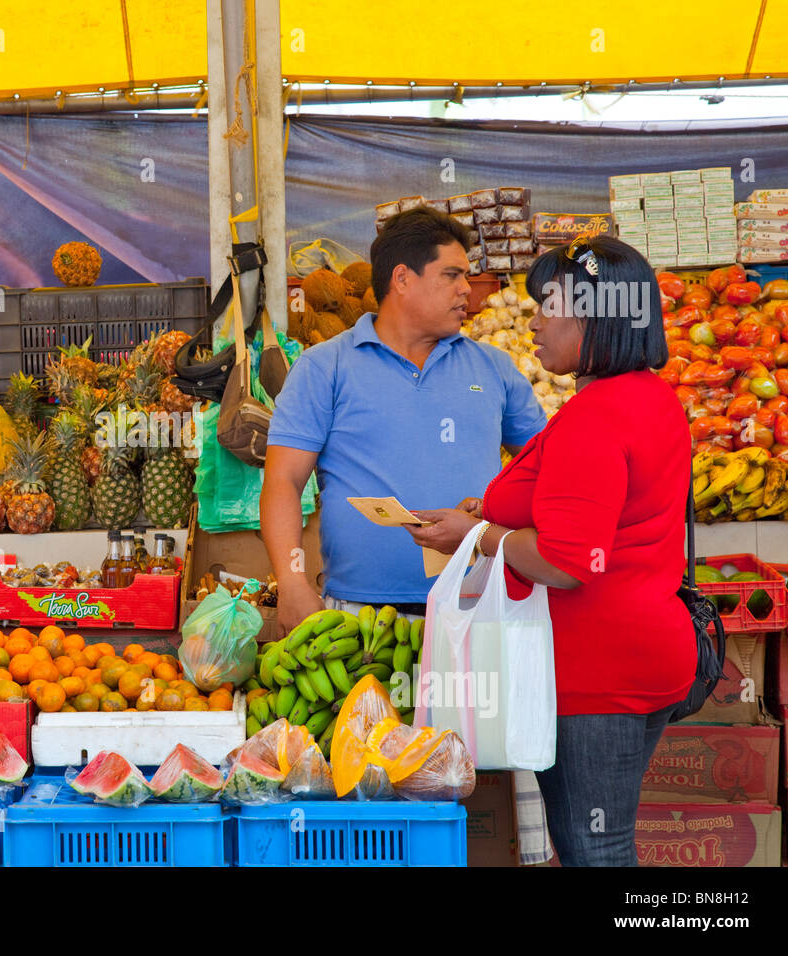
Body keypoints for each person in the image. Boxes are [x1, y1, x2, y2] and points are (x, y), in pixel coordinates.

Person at [407, 235, 695, 867]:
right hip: (645, 652)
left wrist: (477, 537)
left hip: (597, 671)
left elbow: (568, 562)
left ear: (597, 315)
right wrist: (497, 513)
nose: (534, 321)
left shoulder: (596, 417)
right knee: (599, 840)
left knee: (595, 847)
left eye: (549, 306)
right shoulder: (650, 397)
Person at [261, 207, 547, 632]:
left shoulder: (494, 367)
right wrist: (290, 578)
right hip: (358, 618)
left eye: (466, 277)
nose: (467, 291)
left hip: (478, 608)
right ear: (402, 279)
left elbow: (549, 467)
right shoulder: (325, 367)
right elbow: (283, 481)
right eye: (452, 275)